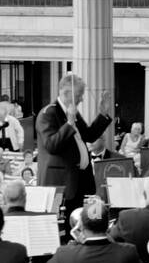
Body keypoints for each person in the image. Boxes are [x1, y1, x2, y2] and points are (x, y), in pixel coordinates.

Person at [35, 71, 114, 229]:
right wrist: (69, 124)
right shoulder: (48, 113)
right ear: (66, 93)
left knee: (80, 225)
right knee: (63, 228)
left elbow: (89, 135)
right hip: (61, 183)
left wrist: (103, 114)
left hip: (80, 181)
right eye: (79, 94)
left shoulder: (73, 112)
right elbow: (51, 145)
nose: (82, 99)